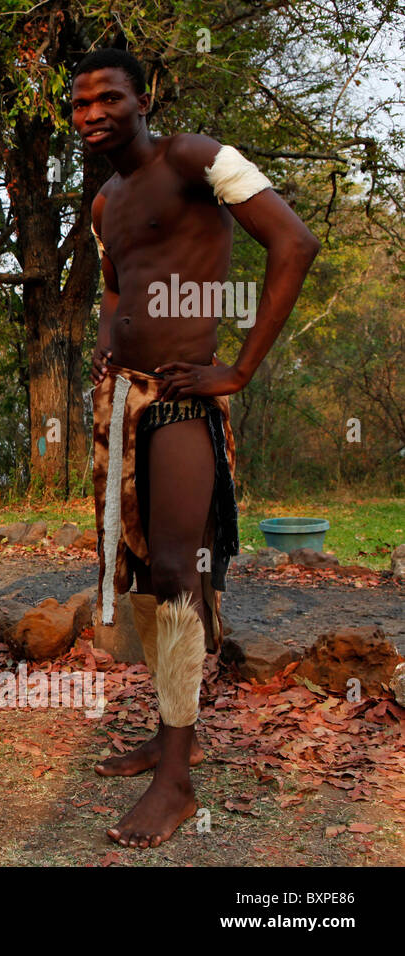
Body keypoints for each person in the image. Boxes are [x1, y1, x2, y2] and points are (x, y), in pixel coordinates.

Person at [72, 47, 320, 847]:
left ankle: (177, 782)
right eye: (79, 105)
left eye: (109, 98)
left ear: (145, 100)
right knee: (145, 568)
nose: (92, 114)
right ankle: (166, 731)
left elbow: (295, 243)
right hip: (128, 399)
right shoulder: (106, 199)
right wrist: (111, 346)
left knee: (180, 571)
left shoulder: (194, 156)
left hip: (183, 398)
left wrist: (237, 370)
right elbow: (116, 286)